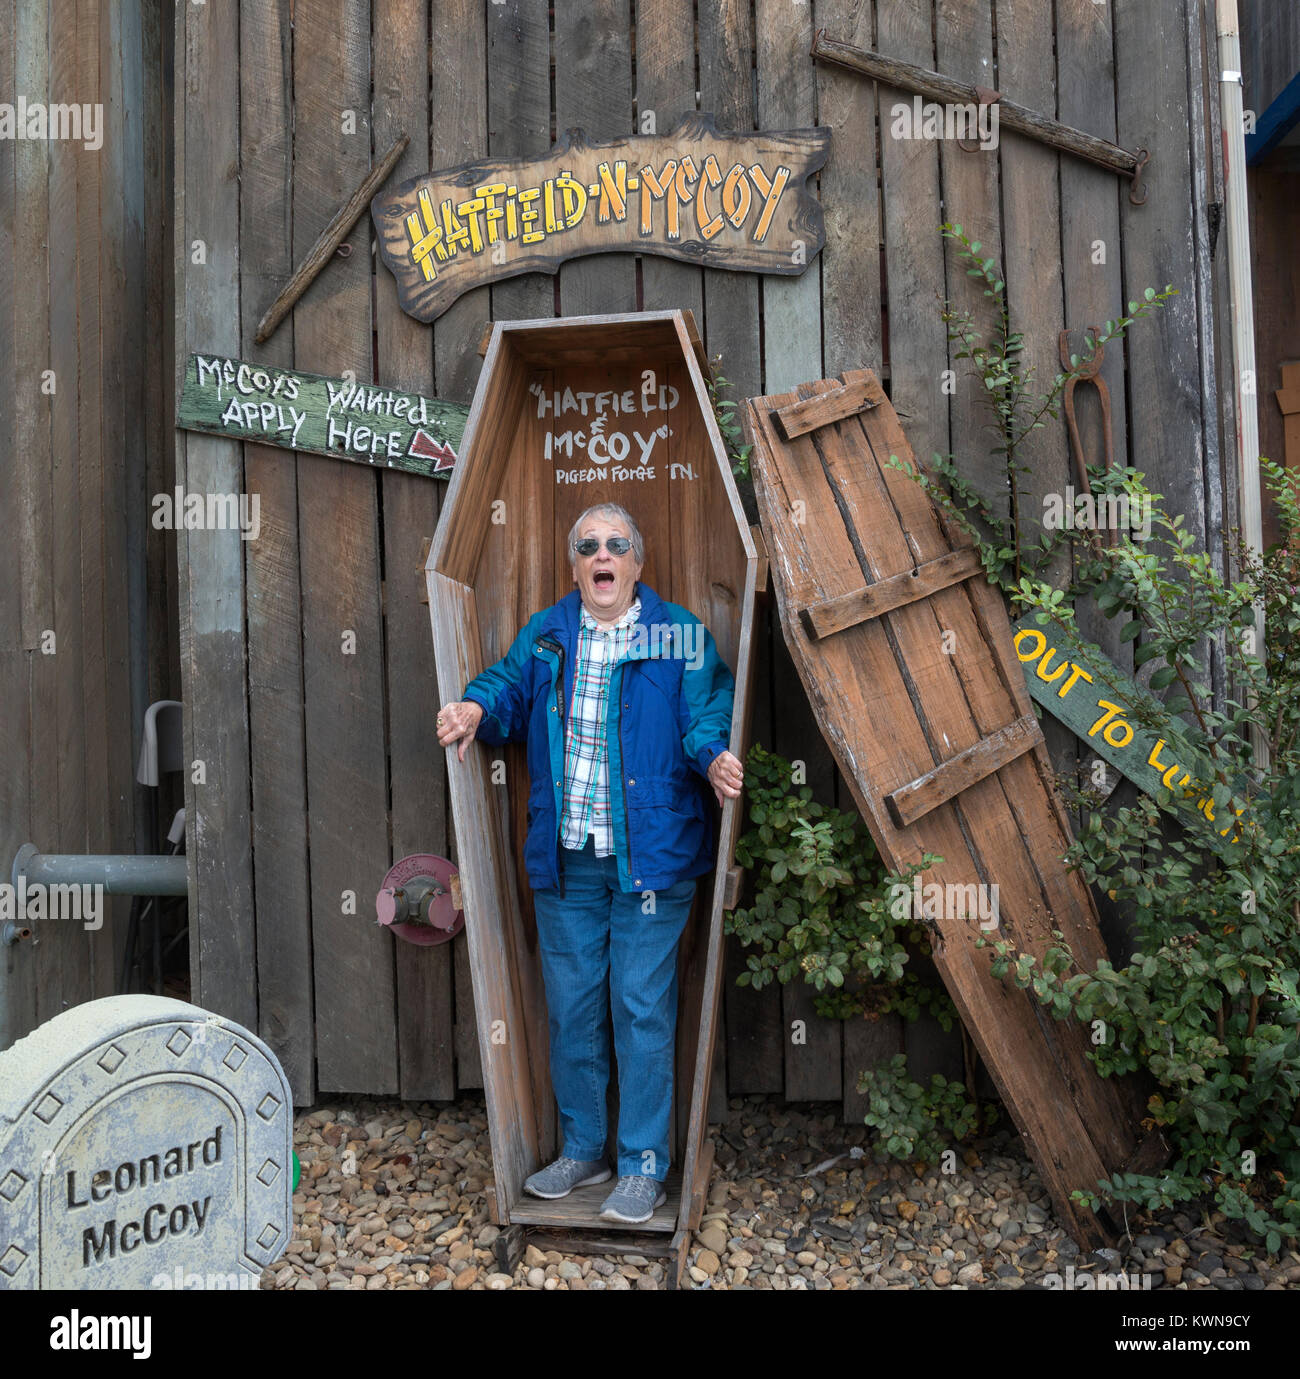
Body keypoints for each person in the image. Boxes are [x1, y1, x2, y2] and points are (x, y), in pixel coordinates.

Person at [435, 502, 744, 1223]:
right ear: (575, 565)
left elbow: (708, 708)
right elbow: (506, 689)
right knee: (572, 1010)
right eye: (588, 546)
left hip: (652, 861)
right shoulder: (548, 633)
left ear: (638, 562)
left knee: (640, 1008)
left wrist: (715, 754)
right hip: (567, 858)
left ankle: (642, 1162)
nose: (602, 556)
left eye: (616, 544)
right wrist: (476, 710)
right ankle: (583, 1147)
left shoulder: (678, 634)